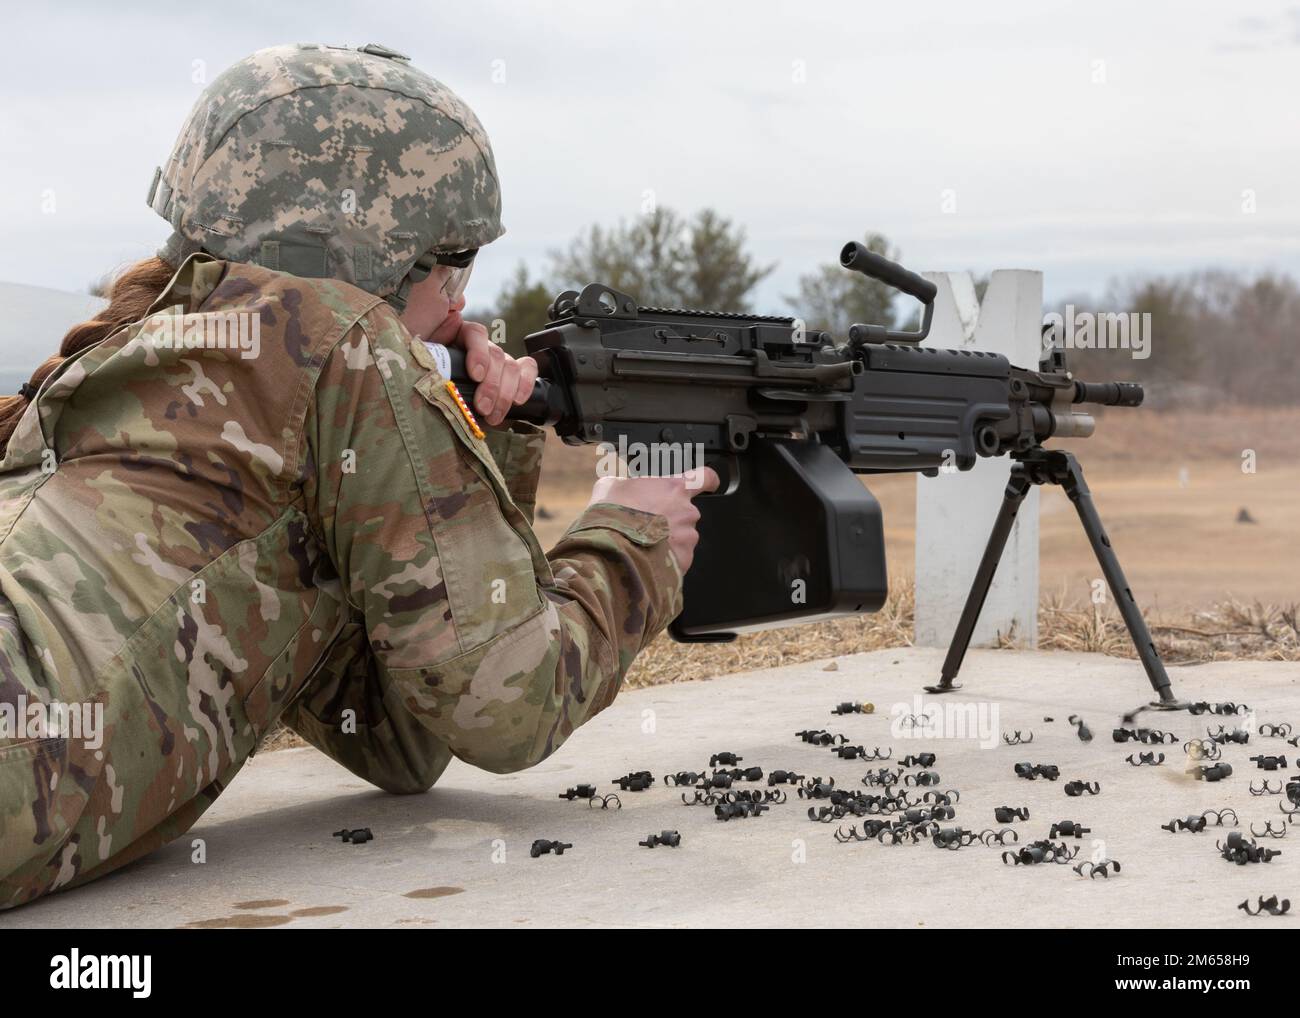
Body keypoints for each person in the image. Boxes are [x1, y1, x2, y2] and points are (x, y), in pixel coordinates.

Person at [0, 42, 715, 909]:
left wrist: (476, 433)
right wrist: (631, 539)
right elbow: (507, 705)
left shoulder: (176, 365)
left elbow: (398, 742)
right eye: (452, 265)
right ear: (370, 259)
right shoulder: (338, 339)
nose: (459, 304)